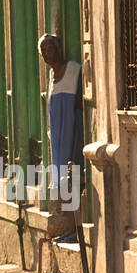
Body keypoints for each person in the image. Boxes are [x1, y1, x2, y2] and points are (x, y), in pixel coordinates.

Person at [37, 34, 82, 232]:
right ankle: (71, 228)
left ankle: (76, 229)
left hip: (72, 134)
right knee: (63, 182)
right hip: (56, 138)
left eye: (50, 49)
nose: (47, 54)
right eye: (43, 51)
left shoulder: (73, 70)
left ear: (58, 49)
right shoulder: (51, 77)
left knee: (74, 181)